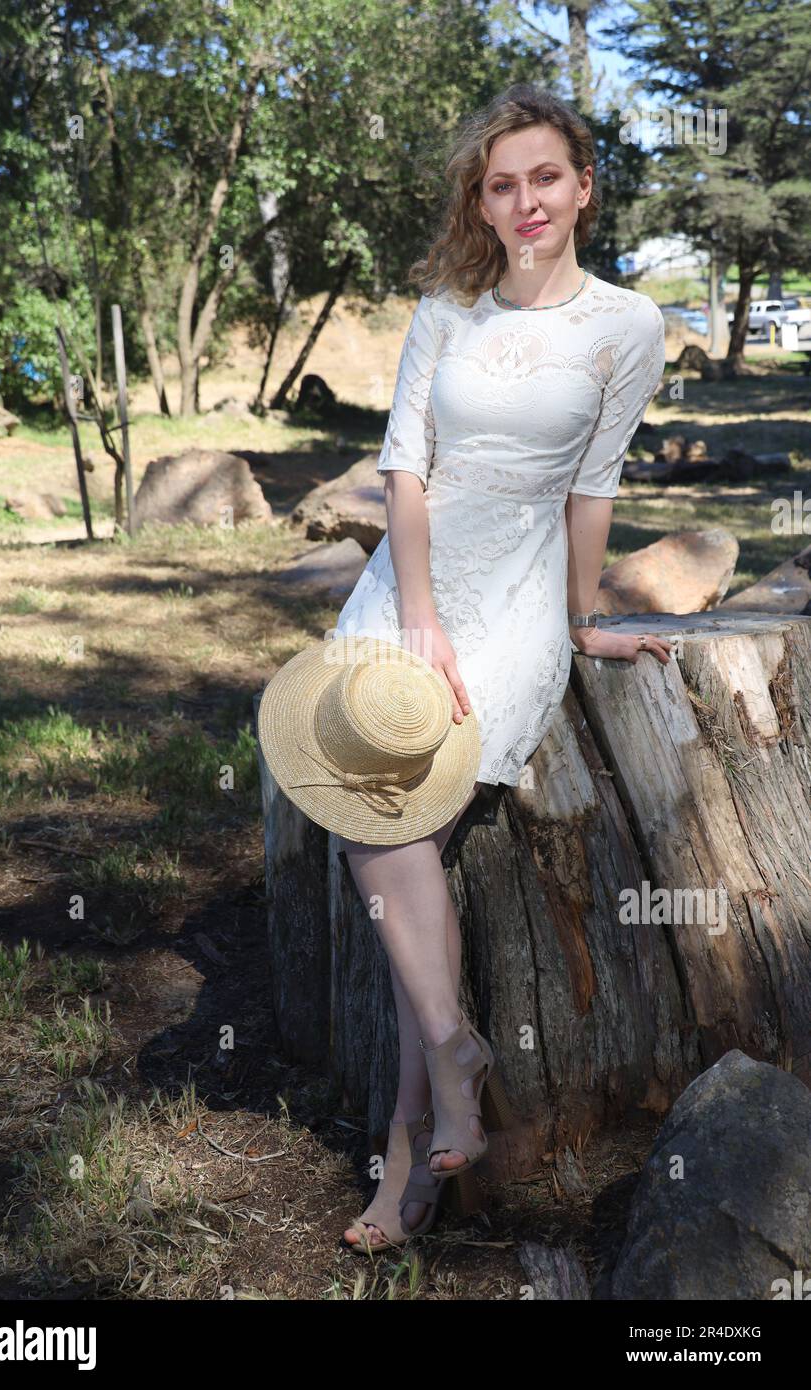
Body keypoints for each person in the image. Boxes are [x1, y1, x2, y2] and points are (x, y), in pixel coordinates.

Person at [328, 83, 672, 1252]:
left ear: (580, 186)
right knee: (372, 820)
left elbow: (593, 486)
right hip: (407, 592)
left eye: (542, 178)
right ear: (480, 201)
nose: (523, 201)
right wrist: (416, 617)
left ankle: (406, 1160)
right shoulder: (445, 308)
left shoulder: (625, 326)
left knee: (397, 836)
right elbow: (403, 470)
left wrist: (581, 623)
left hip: (520, 597)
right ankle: (451, 1056)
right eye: (499, 184)